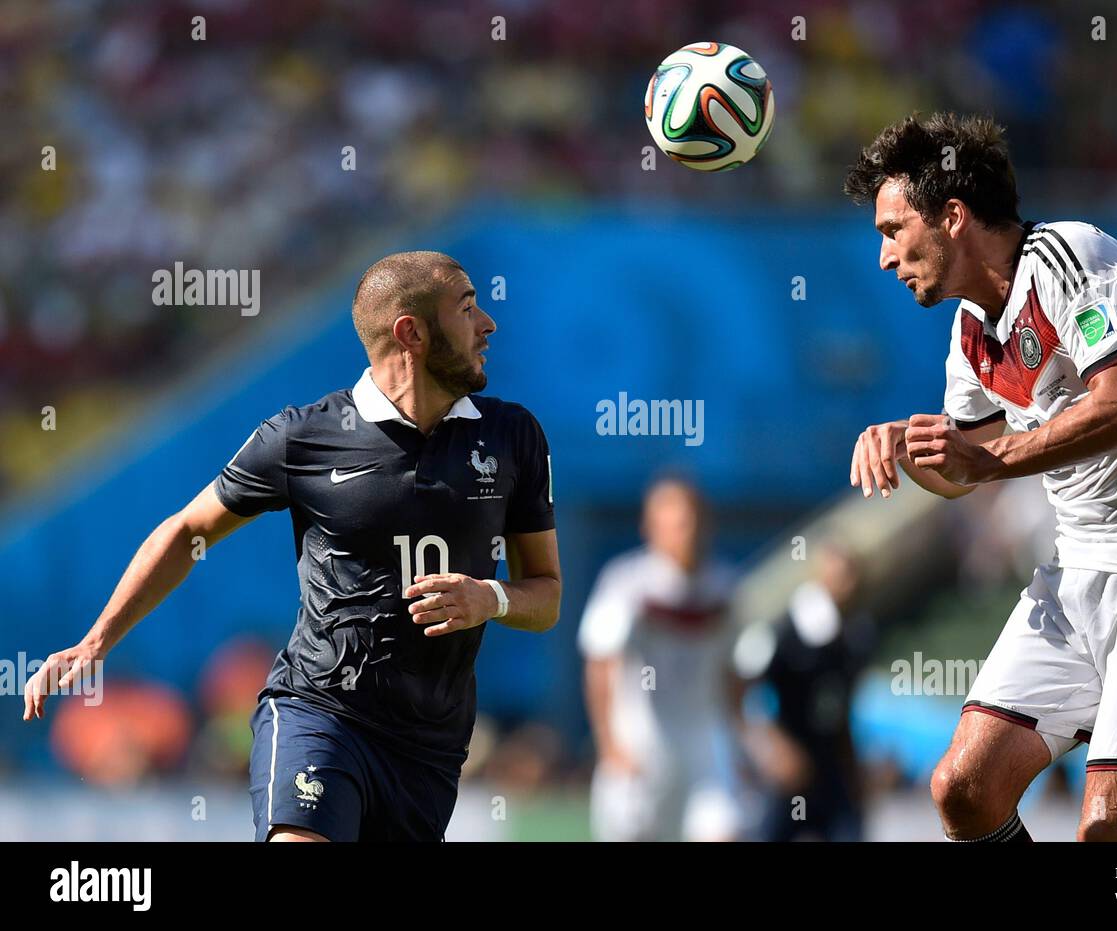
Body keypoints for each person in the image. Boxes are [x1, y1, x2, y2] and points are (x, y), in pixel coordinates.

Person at [23, 251, 562, 842]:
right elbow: (185, 532)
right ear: (410, 333)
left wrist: (491, 597)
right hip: (318, 709)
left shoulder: (513, 437)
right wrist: (97, 640)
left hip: (429, 746)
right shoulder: (303, 436)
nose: (488, 323)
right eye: (466, 308)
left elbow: (546, 596)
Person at [844, 113, 1117, 842]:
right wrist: (912, 448)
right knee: (963, 790)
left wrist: (988, 458)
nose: (885, 257)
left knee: (1112, 830)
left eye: (891, 230)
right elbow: (965, 468)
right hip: (1077, 572)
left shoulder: (1073, 255)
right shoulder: (971, 328)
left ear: (952, 215)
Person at [578, 476, 744, 841]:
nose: (688, 531)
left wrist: (740, 741)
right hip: (641, 750)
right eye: (677, 521)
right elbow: (600, 664)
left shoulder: (727, 587)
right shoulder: (625, 583)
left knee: (726, 831)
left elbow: (736, 672)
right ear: (650, 526)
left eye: (694, 520)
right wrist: (611, 747)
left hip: (705, 748)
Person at [735, 543, 874, 841]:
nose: (846, 585)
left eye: (850, 576)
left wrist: (853, 767)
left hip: (830, 769)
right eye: (838, 576)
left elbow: (839, 709)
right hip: (789, 772)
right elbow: (744, 692)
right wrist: (773, 749)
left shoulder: (855, 638)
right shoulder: (783, 633)